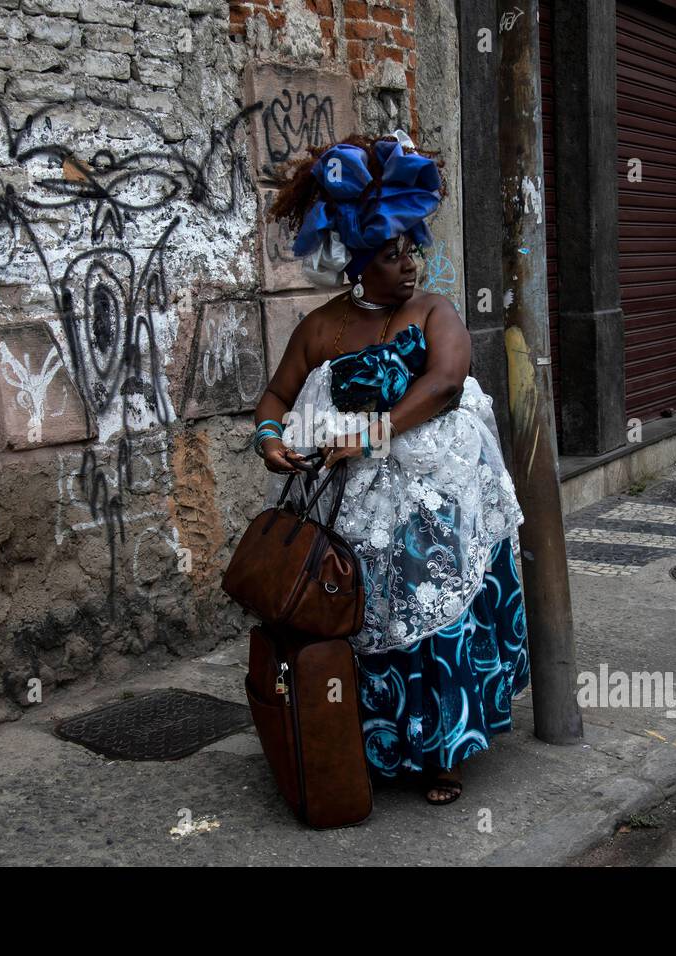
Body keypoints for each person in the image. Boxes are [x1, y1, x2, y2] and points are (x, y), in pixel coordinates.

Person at [251, 131, 528, 806]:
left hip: (434, 506)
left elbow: (444, 385)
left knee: (434, 614)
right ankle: (363, 740)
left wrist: (368, 436)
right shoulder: (320, 328)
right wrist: (268, 438)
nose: (407, 265)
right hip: (354, 513)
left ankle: (442, 753)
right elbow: (277, 396)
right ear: (354, 261)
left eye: (410, 248)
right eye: (388, 254)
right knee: (366, 615)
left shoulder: (434, 310)